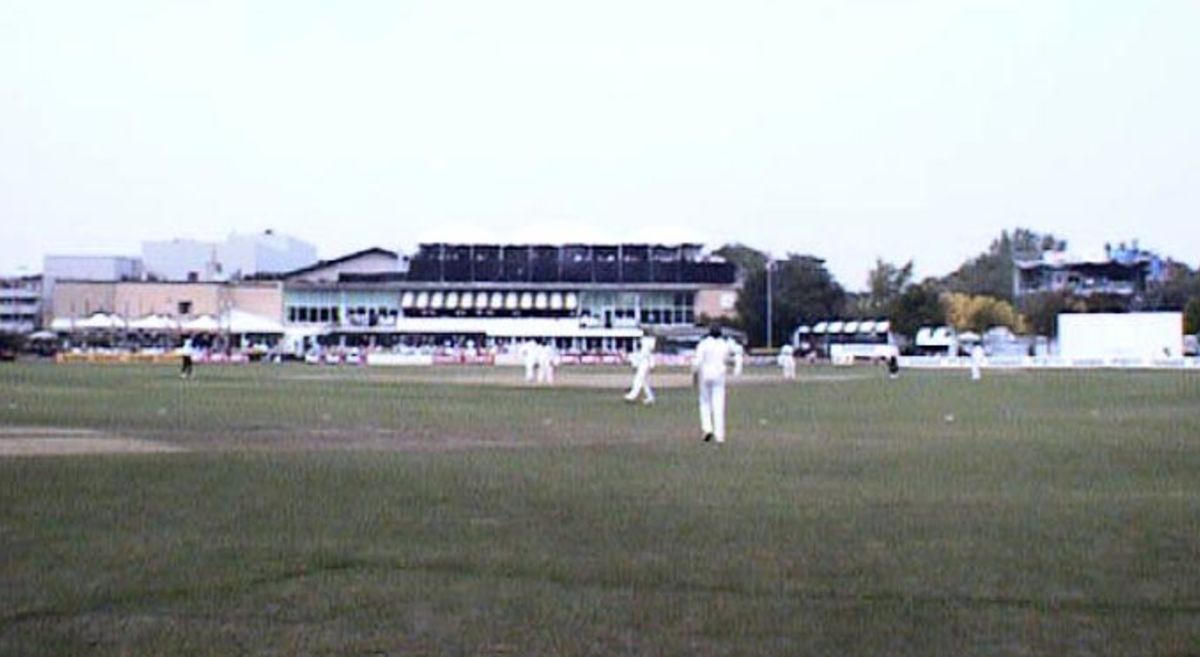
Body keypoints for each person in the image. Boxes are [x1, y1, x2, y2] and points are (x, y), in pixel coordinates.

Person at [692, 325, 735, 444]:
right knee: (719, 405)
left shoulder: (703, 344)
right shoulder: (724, 344)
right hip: (719, 376)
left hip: (705, 375)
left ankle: (707, 428)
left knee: (704, 403)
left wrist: (694, 376)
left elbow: (697, 362)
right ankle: (720, 436)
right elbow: (728, 359)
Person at [624, 336, 657, 405]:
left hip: (645, 364)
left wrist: (652, 365)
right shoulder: (639, 349)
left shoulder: (646, 346)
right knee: (644, 382)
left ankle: (631, 396)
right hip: (642, 364)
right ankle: (650, 397)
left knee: (638, 380)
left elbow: (649, 355)